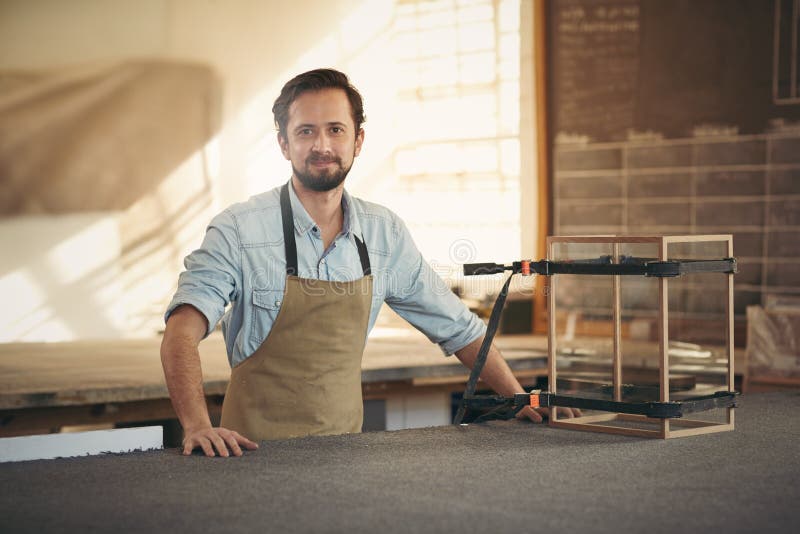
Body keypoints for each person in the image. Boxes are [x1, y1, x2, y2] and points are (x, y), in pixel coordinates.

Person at [160, 68, 576, 458]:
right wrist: (197, 425)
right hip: (248, 456)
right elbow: (181, 333)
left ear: (358, 140)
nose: (322, 145)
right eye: (306, 131)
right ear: (284, 144)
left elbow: (459, 329)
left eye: (335, 130)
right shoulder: (238, 229)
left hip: (345, 456)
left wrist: (520, 399)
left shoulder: (384, 234)